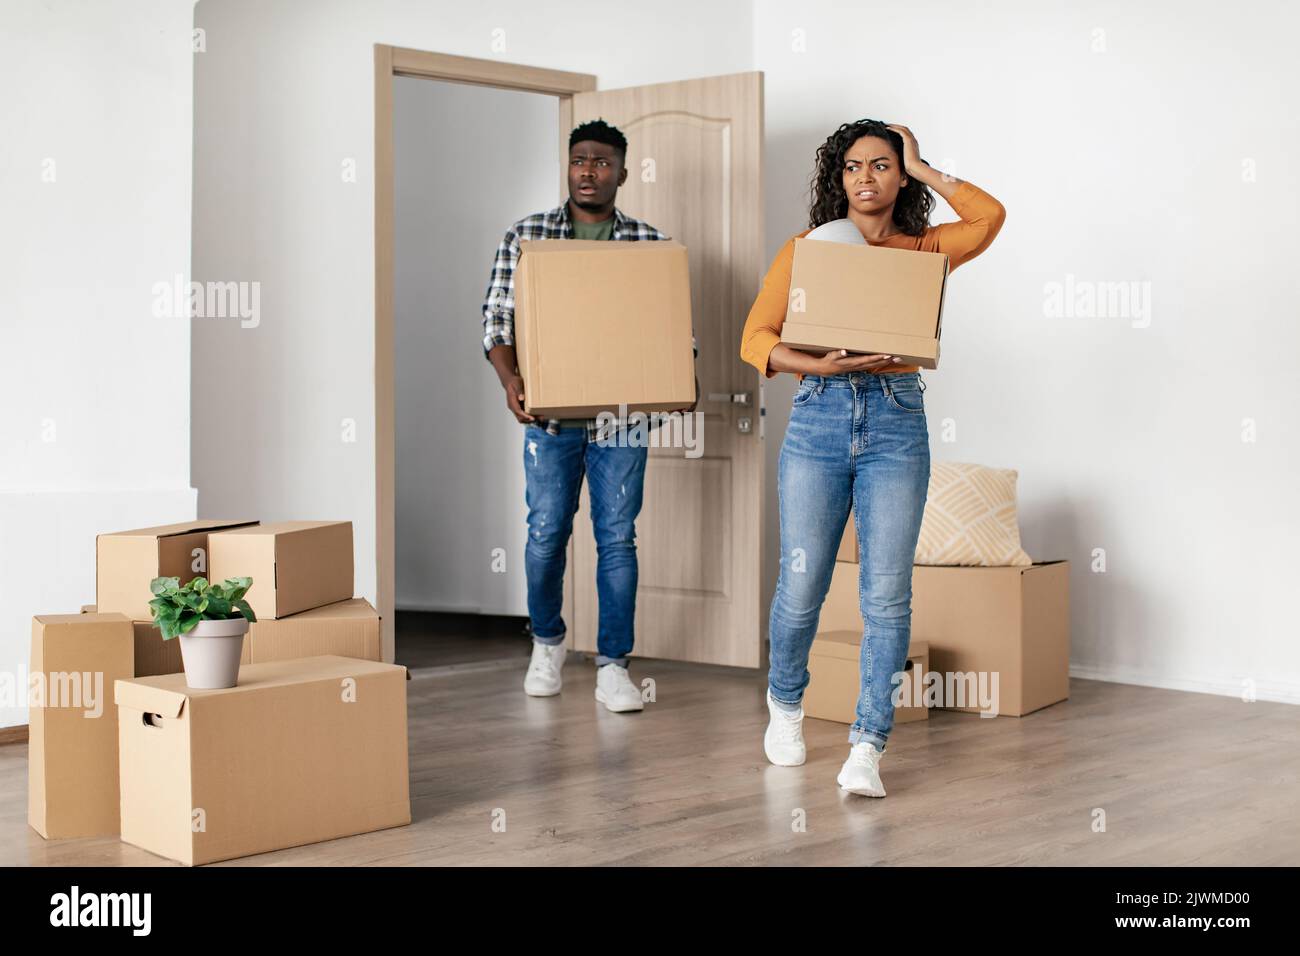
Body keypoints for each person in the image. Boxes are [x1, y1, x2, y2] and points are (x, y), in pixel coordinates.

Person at [739, 119, 1006, 795]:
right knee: (802, 586)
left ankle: (867, 744)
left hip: (896, 420)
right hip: (818, 418)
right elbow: (756, 338)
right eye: (854, 167)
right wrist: (819, 363)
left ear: (900, 177)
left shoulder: (924, 251)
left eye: (883, 166)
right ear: (839, 178)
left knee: (886, 594)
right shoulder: (807, 249)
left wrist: (925, 165)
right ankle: (785, 702)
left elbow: (989, 216)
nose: (867, 178)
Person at [482, 119, 696, 713]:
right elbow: (497, 320)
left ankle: (613, 666)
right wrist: (511, 379)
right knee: (546, 534)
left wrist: (684, 378)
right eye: (580, 159)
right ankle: (547, 644)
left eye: (602, 162)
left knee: (617, 540)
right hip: (550, 422)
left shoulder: (651, 245)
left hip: (621, 421)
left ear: (622, 173)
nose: (588, 170)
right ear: (568, 166)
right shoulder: (527, 238)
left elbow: (676, 334)